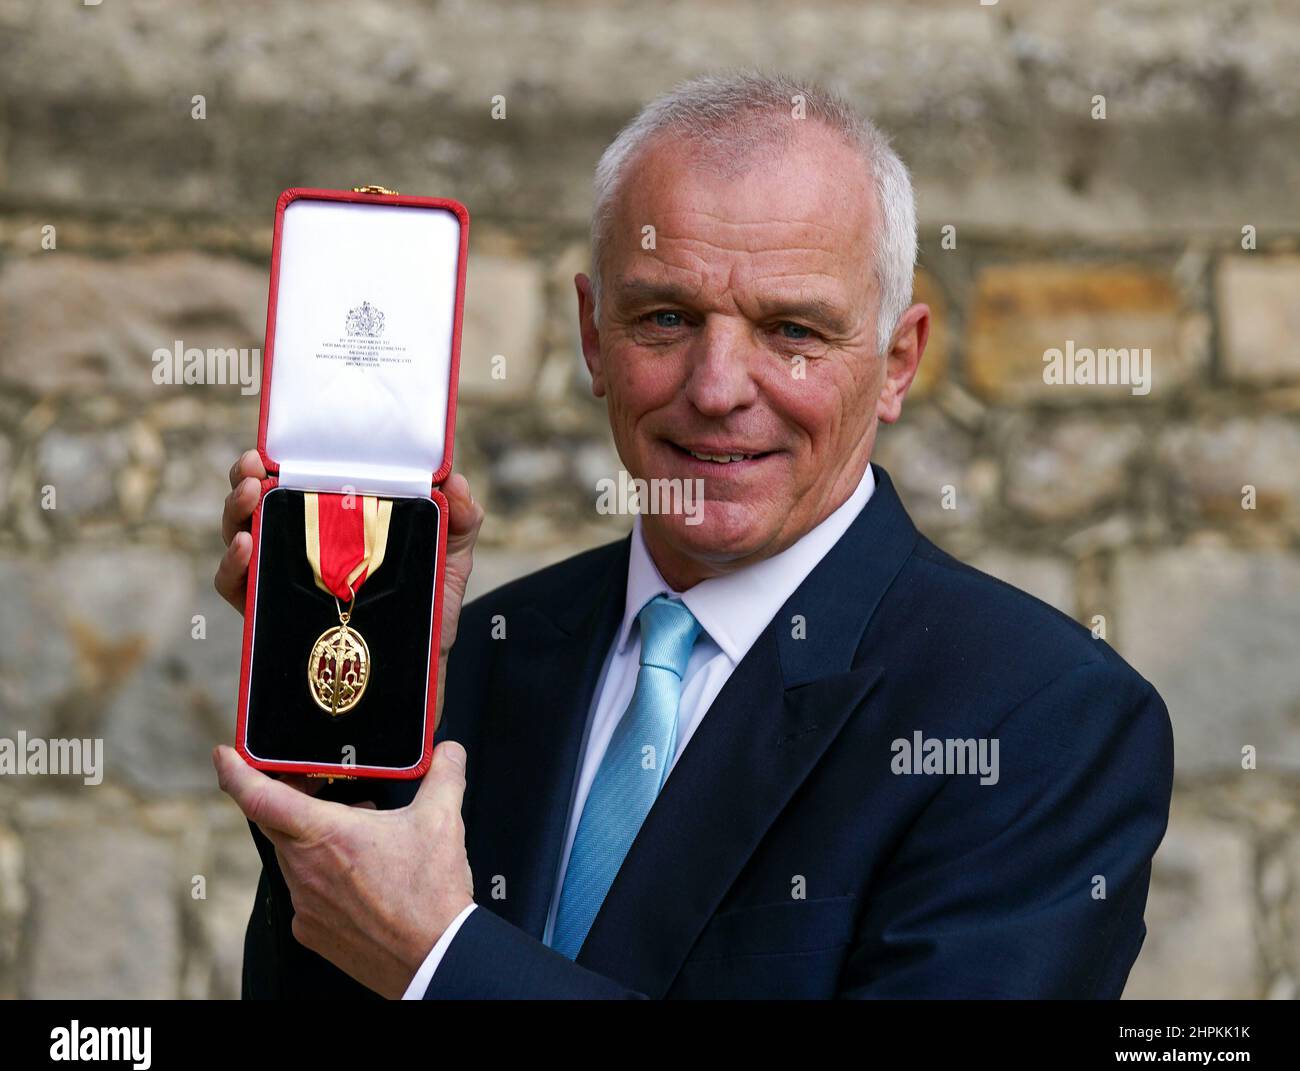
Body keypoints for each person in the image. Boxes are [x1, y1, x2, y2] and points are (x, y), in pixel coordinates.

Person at [214, 71, 1174, 999]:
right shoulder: (475, 659)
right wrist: (333, 725)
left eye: (793, 330)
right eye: (665, 318)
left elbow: (422, 963)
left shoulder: (1039, 720)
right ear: (594, 337)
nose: (717, 389)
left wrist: (446, 963)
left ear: (896, 362)